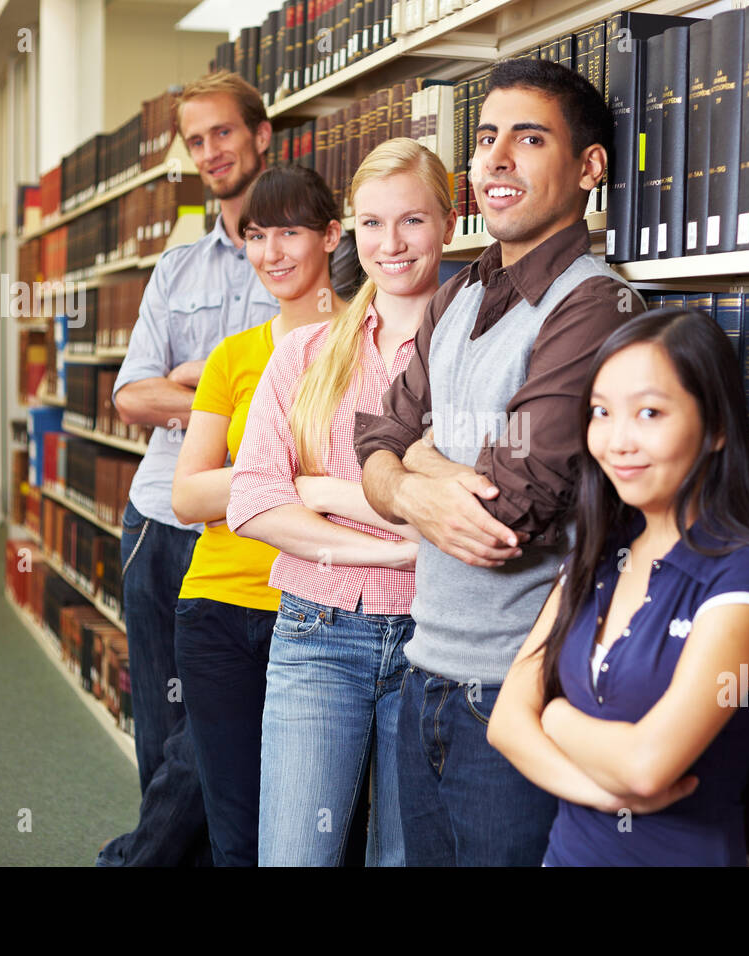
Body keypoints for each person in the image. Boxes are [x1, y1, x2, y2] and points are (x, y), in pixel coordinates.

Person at [354, 57, 643, 865]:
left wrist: (408, 464)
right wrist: (414, 474)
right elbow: (371, 440)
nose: (496, 159)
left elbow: (511, 510)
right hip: (423, 674)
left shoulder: (596, 303)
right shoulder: (456, 296)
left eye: (528, 137)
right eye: (485, 139)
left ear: (589, 167)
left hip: (516, 692)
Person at [487, 308, 749, 866]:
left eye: (649, 412)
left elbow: (648, 766)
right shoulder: (598, 548)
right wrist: (606, 795)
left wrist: (554, 717)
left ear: (718, 426)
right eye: (602, 412)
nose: (618, 441)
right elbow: (508, 722)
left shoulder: (747, 577)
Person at [227, 138, 450, 866]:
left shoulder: (476, 352)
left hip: (436, 644)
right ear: (351, 230)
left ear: (448, 222)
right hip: (319, 633)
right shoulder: (307, 354)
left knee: (401, 860)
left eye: (412, 221)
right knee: (296, 854)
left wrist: (321, 491)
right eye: (373, 223)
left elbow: (476, 492)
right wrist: (395, 540)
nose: (392, 244)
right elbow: (254, 502)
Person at [101, 71, 280, 866]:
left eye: (224, 133)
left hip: (252, 532)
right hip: (160, 521)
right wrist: (221, 400)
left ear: (262, 135)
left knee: (218, 733)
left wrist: (192, 386)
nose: (210, 152)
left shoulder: (310, 253)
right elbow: (129, 395)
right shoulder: (175, 269)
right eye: (196, 139)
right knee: (161, 731)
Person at [169, 164, 347, 866]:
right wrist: (295, 479)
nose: (272, 253)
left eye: (291, 233)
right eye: (256, 235)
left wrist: (248, 484)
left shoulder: (363, 347)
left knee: (320, 833)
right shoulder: (234, 357)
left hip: (318, 611)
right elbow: (187, 497)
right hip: (214, 612)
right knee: (238, 834)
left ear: (332, 235)